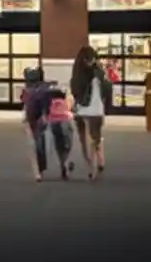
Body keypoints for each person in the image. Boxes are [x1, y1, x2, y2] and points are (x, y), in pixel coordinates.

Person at [70, 45, 112, 181]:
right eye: (88, 59)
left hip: (95, 110)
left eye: (92, 59)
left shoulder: (98, 72)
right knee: (85, 140)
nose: (90, 61)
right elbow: (75, 91)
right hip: (83, 109)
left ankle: (92, 168)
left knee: (93, 139)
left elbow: (107, 88)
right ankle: (94, 163)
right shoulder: (79, 75)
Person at [19, 66, 52, 182]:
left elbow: (24, 103)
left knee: (33, 145)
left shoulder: (28, 90)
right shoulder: (43, 89)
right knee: (39, 144)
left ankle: (37, 171)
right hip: (37, 118)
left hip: (31, 118)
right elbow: (46, 104)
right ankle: (39, 170)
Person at [45, 80, 76, 180]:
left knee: (58, 147)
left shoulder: (49, 100)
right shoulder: (66, 100)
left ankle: (63, 165)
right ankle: (66, 164)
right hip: (65, 121)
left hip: (53, 122)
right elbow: (70, 107)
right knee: (68, 145)